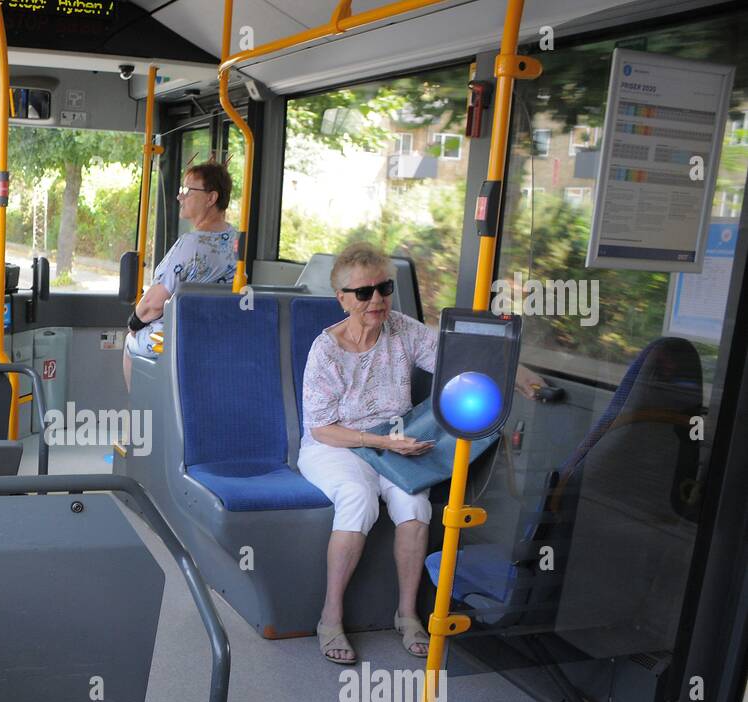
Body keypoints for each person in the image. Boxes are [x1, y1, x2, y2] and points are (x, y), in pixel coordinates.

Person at [299, 242, 545, 664]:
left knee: (415, 506)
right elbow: (321, 428)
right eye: (363, 293)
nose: (376, 299)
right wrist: (382, 443)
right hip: (337, 444)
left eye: (384, 288)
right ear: (341, 298)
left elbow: (459, 359)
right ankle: (331, 616)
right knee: (358, 500)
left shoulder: (402, 328)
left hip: (394, 440)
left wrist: (517, 373)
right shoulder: (327, 349)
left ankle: (408, 614)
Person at [123, 162, 238, 390]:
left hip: (177, 339)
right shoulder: (234, 239)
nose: (179, 196)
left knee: (130, 342)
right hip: (217, 336)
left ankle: (138, 416)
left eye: (187, 190)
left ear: (211, 198)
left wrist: (134, 324)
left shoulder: (191, 244)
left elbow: (154, 305)